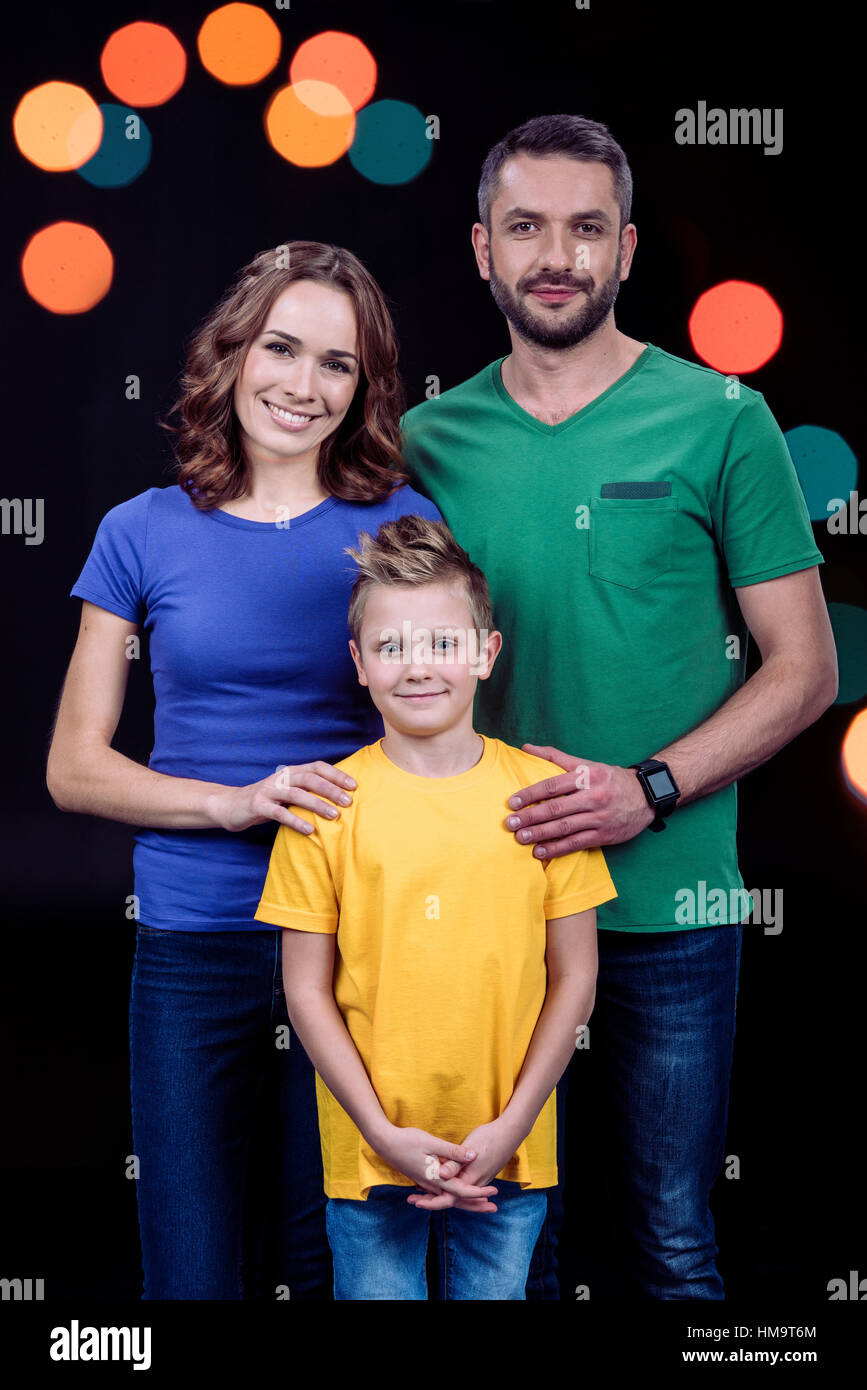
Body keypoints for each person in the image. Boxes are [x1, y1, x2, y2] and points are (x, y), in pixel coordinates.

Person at [399, 114, 838, 1299]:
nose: (557, 253)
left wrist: (644, 790)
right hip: (485, 904)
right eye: (527, 226)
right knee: (505, 1250)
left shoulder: (723, 419)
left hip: (671, 901)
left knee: (671, 1245)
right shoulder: (427, 441)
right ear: (481, 248)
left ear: (627, 249)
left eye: (587, 228)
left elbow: (805, 669)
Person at [45, 241, 443, 1300]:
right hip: (192, 942)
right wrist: (234, 802)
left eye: (337, 365)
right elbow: (74, 767)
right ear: (232, 352)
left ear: (364, 390)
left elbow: (439, 731)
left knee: (336, 1268)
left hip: (356, 944)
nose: (302, 386)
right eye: (281, 347)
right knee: (191, 1272)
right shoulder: (140, 530)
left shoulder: (400, 527)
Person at [252, 514, 618, 1299]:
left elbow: (575, 978)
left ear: (487, 654)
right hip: (369, 1151)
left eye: (443, 643)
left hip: (508, 1151)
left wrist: (513, 1123)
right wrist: (380, 1132)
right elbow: (305, 991)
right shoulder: (327, 808)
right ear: (358, 662)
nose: (418, 667)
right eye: (391, 647)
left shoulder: (542, 802)